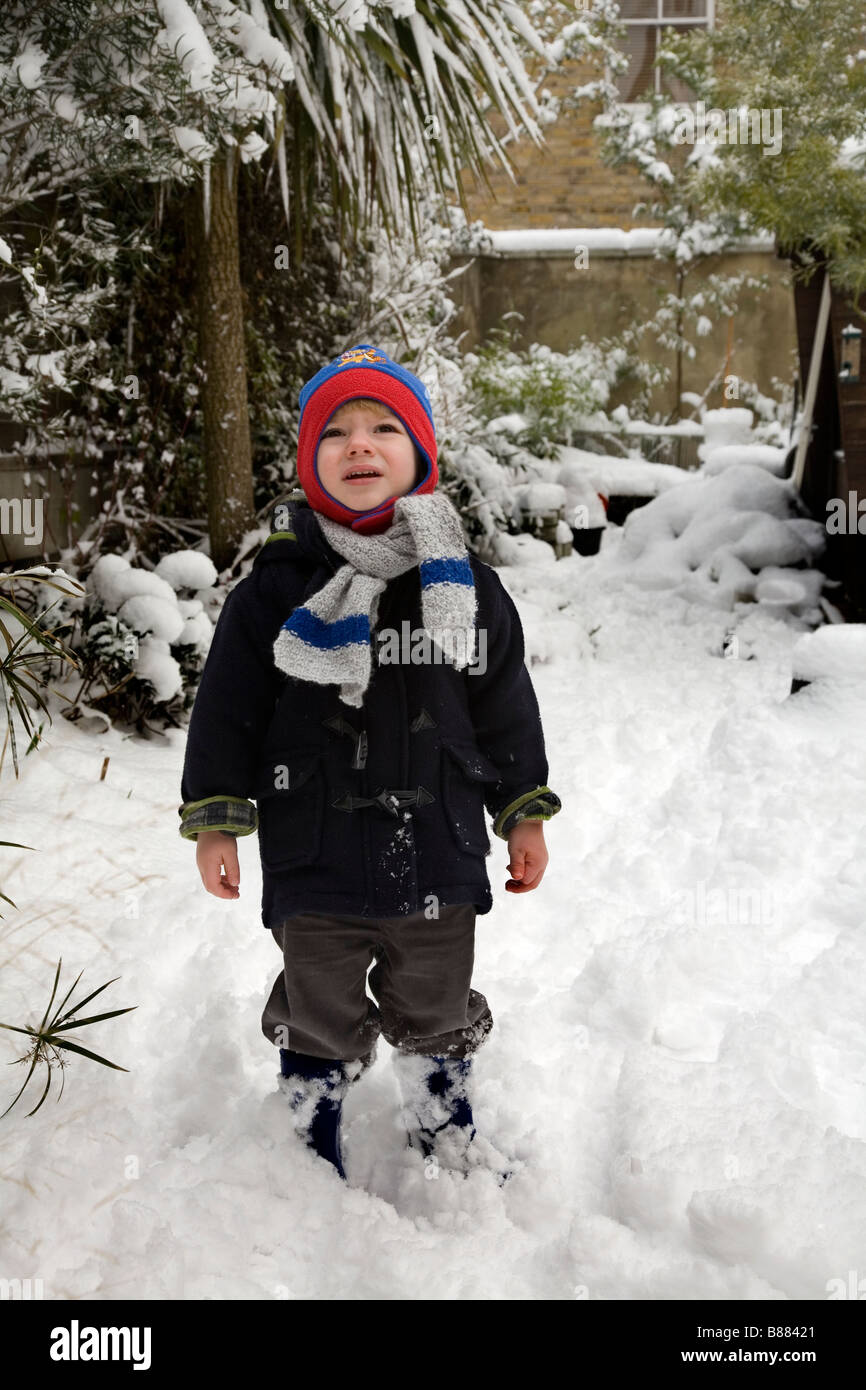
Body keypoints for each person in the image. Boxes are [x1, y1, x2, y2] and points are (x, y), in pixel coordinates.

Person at [178, 343, 561, 1184]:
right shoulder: (275, 590)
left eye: (384, 427)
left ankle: (442, 1125)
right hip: (312, 843)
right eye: (338, 433)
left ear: (418, 456)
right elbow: (228, 711)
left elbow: (503, 703)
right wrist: (216, 819)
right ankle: (309, 1139)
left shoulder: (460, 583)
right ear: (312, 465)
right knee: (318, 1006)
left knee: (435, 1001)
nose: (360, 445)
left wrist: (522, 809)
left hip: (438, 837)